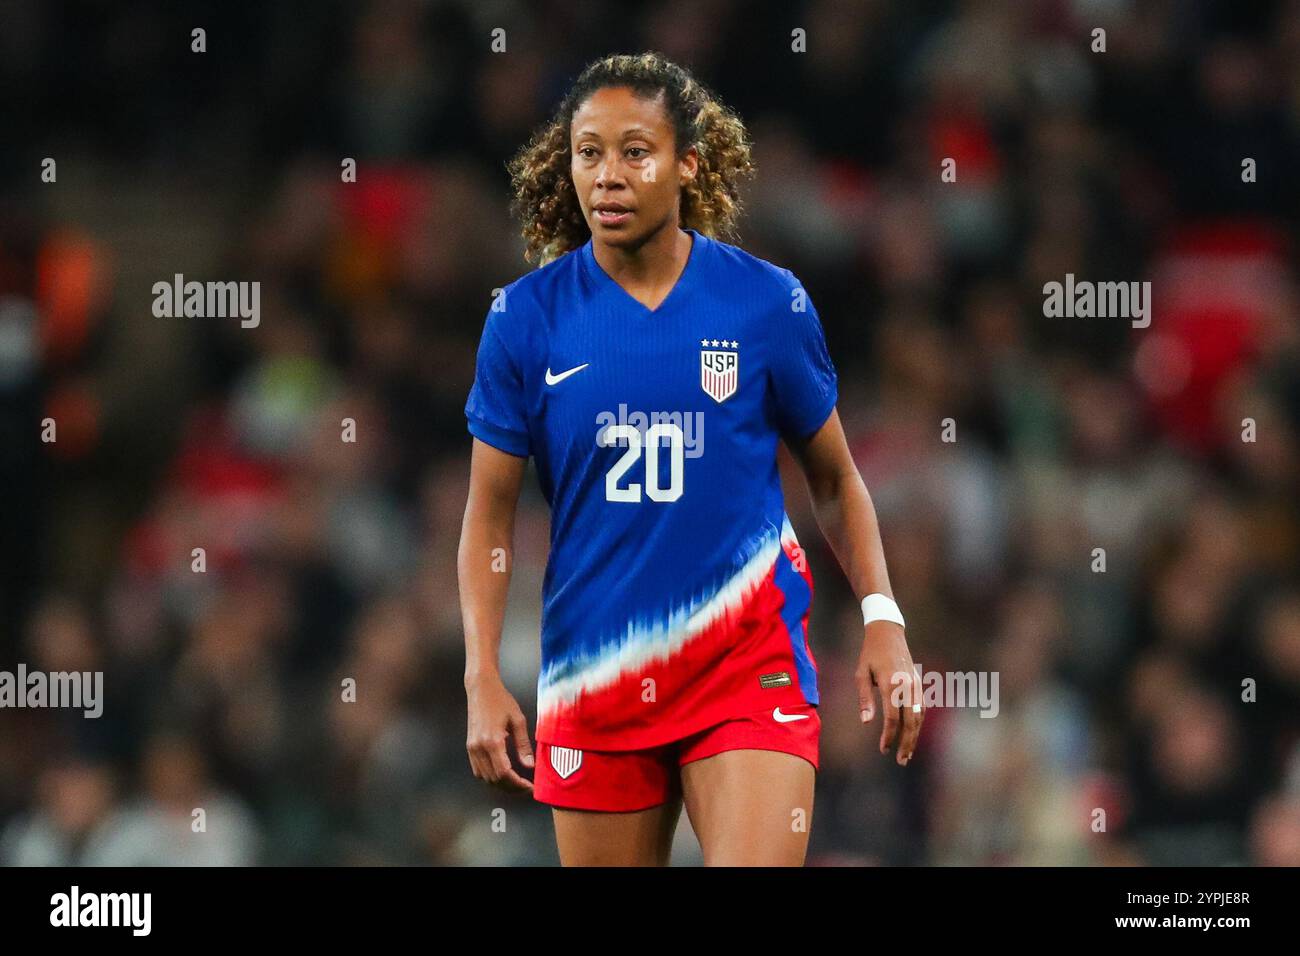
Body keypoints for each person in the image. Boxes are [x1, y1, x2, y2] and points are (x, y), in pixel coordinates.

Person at [459, 52, 923, 866]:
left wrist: (883, 617)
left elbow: (835, 478)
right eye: (588, 152)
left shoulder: (765, 303)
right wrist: (481, 674)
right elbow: (489, 514)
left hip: (746, 660)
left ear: (688, 164)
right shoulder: (524, 320)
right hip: (597, 669)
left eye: (635, 152)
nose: (607, 175)